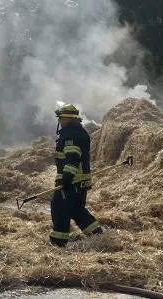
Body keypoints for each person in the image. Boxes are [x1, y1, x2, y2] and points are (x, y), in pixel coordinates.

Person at [50, 103, 103, 246]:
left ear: (65, 119)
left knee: (59, 208)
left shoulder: (70, 134)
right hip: (80, 180)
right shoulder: (79, 131)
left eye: (60, 119)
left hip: (72, 181)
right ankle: (97, 234)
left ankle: (58, 242)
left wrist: (66, 178)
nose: (59, 122)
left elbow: (72, 157)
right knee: (76, 210)